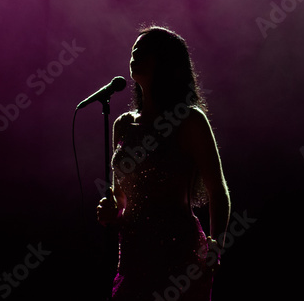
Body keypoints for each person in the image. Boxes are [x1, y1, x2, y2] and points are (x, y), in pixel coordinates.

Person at [96, 25, 231, 300]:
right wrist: (110, 211)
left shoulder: (189, 120)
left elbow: (218, 191)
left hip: (180, 257)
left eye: (144, 50)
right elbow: (121, 198)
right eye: (134, 49)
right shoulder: (123, 125)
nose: (135, 53)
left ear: (166, 61)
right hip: (133, 258)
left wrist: (217, 245)